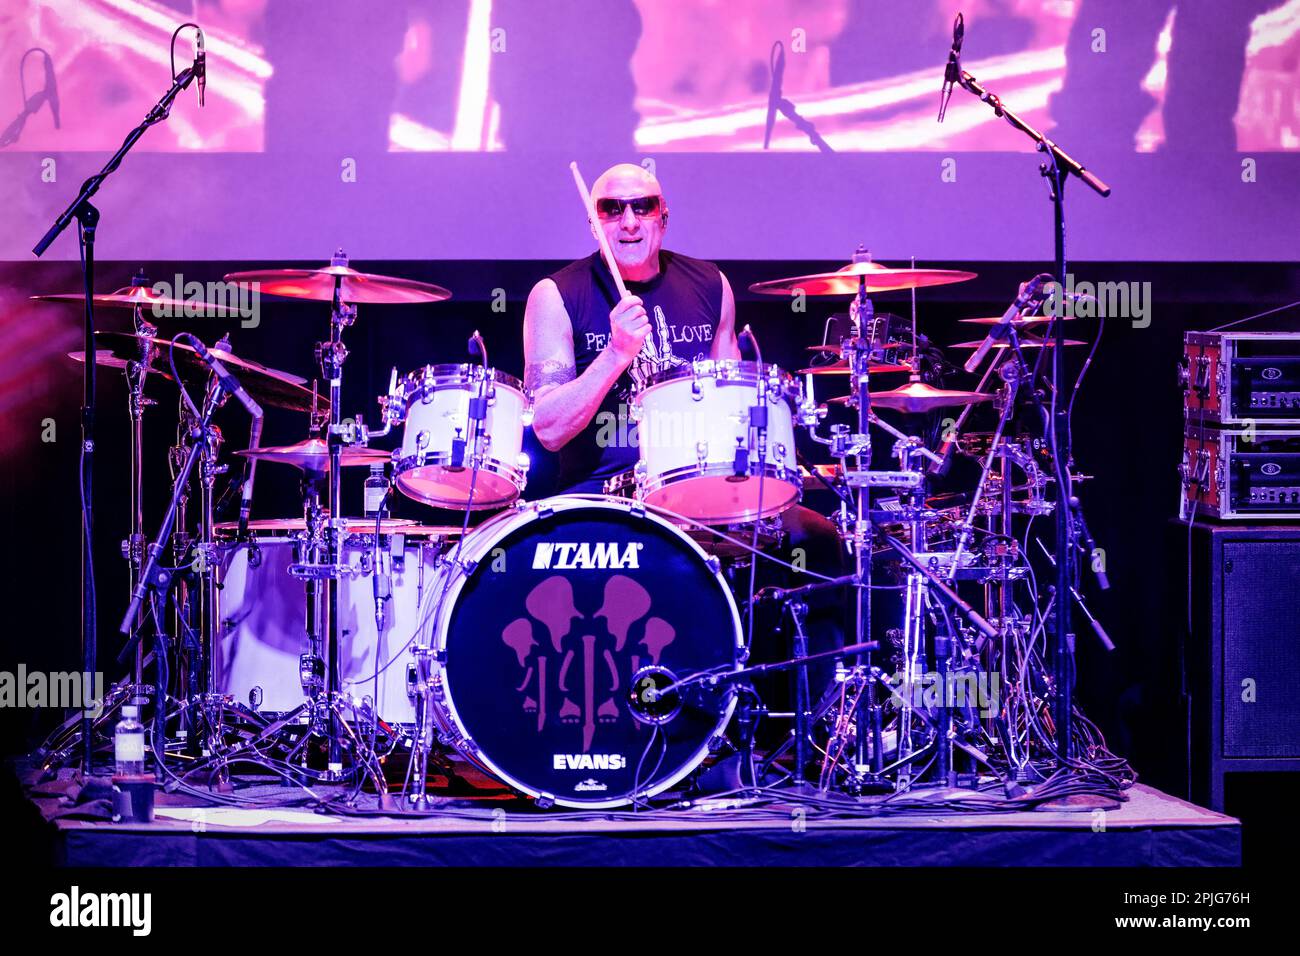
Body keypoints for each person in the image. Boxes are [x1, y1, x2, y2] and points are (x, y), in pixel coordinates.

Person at [523, 162, 740, 494]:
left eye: (643, 207)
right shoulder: (555, 296)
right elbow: (549, 430)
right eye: (611, 210)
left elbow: (733, 406)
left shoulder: (713, 285)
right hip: (600, 494)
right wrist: (615, 354)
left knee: (812, 535)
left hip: (695, 483)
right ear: (594, 226)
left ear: (663, 219)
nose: (629, 223)